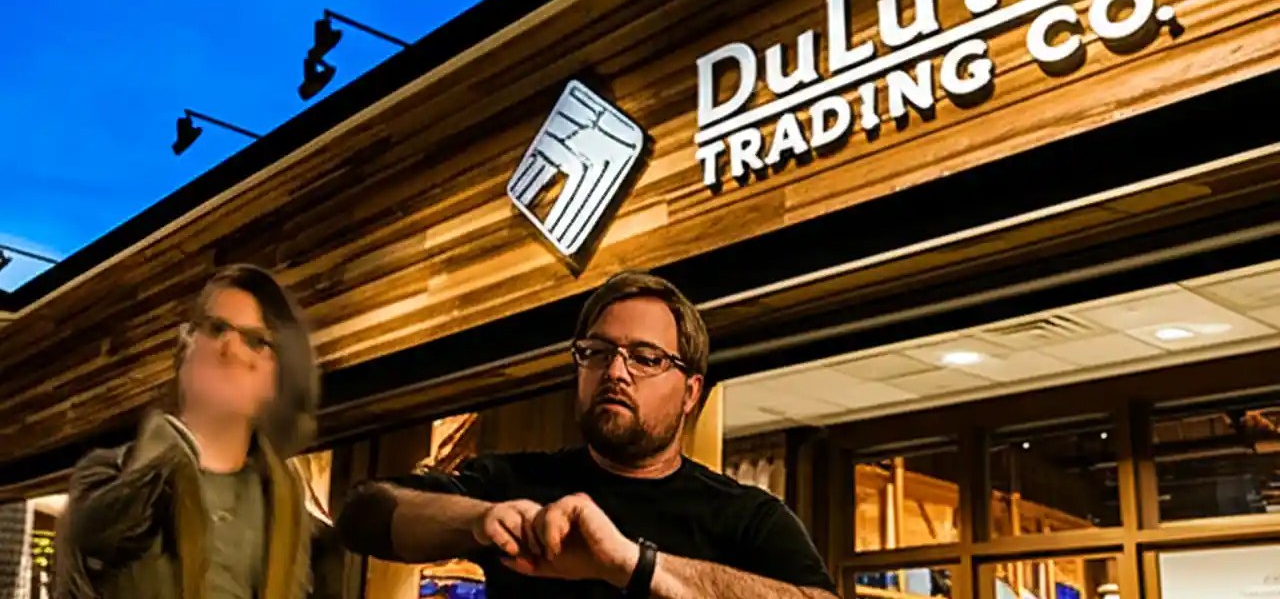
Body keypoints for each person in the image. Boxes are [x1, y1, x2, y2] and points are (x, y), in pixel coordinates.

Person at [336, 270, 839, 598]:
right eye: (597, 352)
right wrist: (481, 519)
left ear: (690, 393)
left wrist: (632, 565)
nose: (616, 372)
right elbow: (364, 514)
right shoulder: (515, 481)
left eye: (645, 358)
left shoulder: (748, 519)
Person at [55, 264, 321, 599]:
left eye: (255, 341)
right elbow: (99, 540)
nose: (231, 347)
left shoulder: (284, 501)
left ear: (277, 378)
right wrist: (161, 455)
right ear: (186, 348)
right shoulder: (107, 473)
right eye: (216, 328)